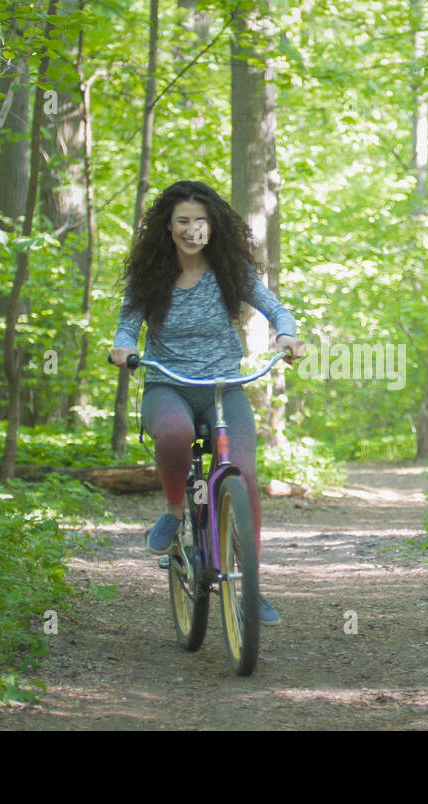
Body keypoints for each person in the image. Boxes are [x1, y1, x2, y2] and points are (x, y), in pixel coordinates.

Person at [110, 180, 305, 625]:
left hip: (223, 387)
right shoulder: (151, 276)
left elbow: (277, 308)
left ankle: (249, 583)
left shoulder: (230, 271)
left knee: (245, 471)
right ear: (168, 227)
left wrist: (287, 334)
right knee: (176, 433)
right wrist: (122, 348)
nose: (193, 230)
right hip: (168, 384)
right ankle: (174, 513)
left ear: (213, 227)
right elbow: (127, 326)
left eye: (201, 221)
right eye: (183, 221)